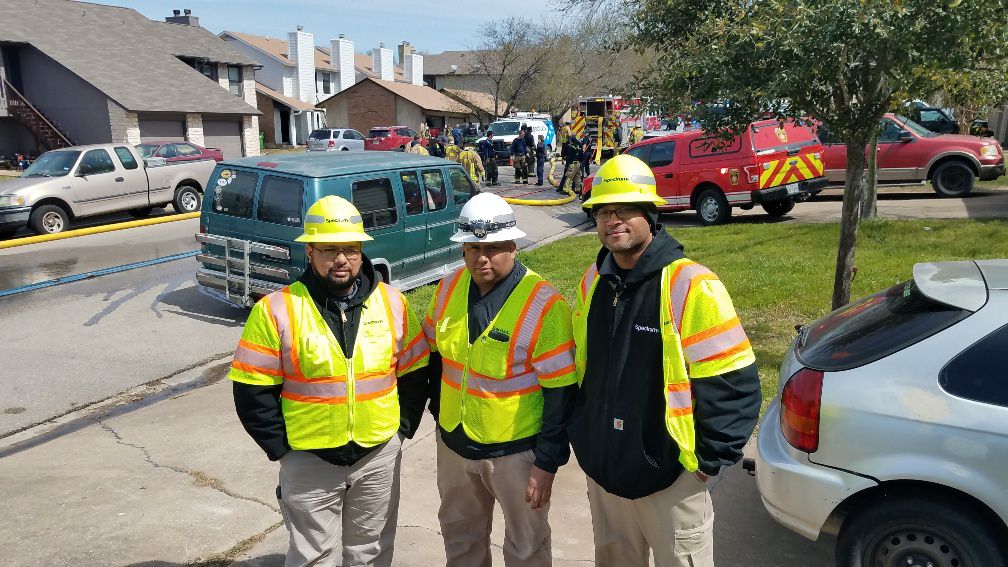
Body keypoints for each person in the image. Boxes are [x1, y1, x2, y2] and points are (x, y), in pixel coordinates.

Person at [569, 155, 761, 567]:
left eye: (624, 209)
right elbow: (586, 369)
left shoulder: (691, 284)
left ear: (650, 213)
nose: (613, 220)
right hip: (606, 473)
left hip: (672, 481)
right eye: (603, 211)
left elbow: (734, 383)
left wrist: (708, 462)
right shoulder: (593, 281)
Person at [229, 195, 431, 567]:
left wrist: (400, 431)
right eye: (329, 250)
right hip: (308, 460)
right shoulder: (276, 309)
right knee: (313, 558)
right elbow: (251, 388)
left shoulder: (393, 303)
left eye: (350, 249)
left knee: (371, 553)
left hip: (377, 456)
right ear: (309, 252)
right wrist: (282, 450)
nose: (341, 259)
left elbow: (415, 372)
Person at [423, 192, 578, 567]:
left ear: (512, 246)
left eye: (492, 248)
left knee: (526, 548)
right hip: (455, 445)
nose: (482, 258)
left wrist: (547, 463)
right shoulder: (447, 289)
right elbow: (434, 356)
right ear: (462, 249)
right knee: (460, 539)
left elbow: (561, 394)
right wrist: (438, 413)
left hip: (515, 455)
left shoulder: (544, 305)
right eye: (473, 248)